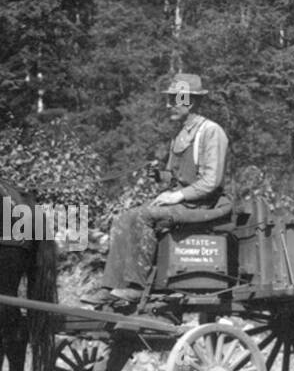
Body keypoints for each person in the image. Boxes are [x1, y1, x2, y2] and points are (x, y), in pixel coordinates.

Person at [84, 73, 232, 309]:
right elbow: (174, 177)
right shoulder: (180, 135)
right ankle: (109, 287)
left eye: (175, 99)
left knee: (143, 216)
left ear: (190, 101)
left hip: (206, 206)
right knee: (123, 217)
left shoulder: (211, 132)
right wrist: (160, 176)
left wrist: (177, 196)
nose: (169, 104)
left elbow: (210, 182)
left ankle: (134, 287)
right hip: (185, 203)